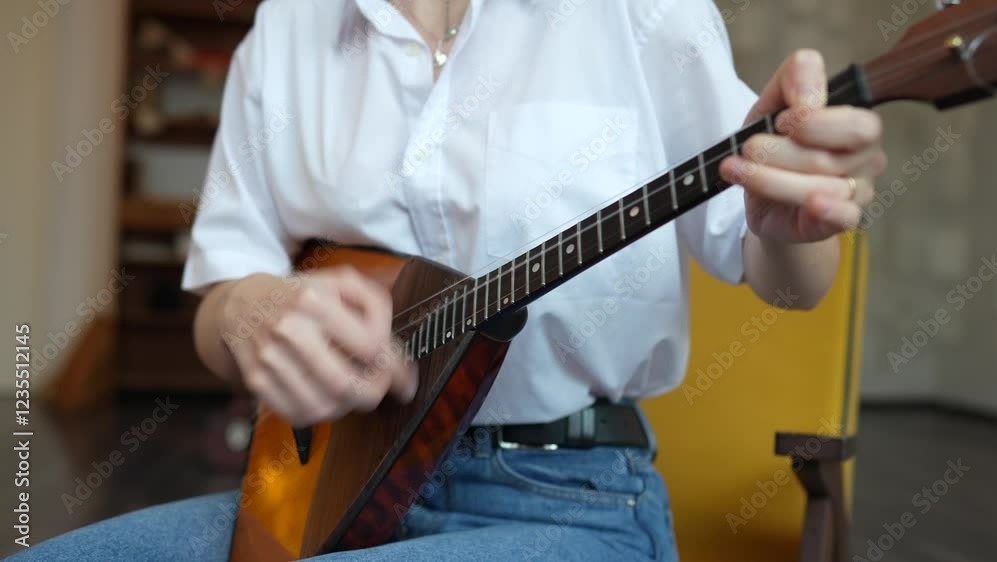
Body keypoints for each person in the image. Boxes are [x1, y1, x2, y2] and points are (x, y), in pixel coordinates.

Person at [15, 1, 886, 560]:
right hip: (325, 488)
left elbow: (790, 278)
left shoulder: (640, 11)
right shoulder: (290, 26)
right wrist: (249, 305)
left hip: (565, 504)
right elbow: (220, 294)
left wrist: (792, 220)